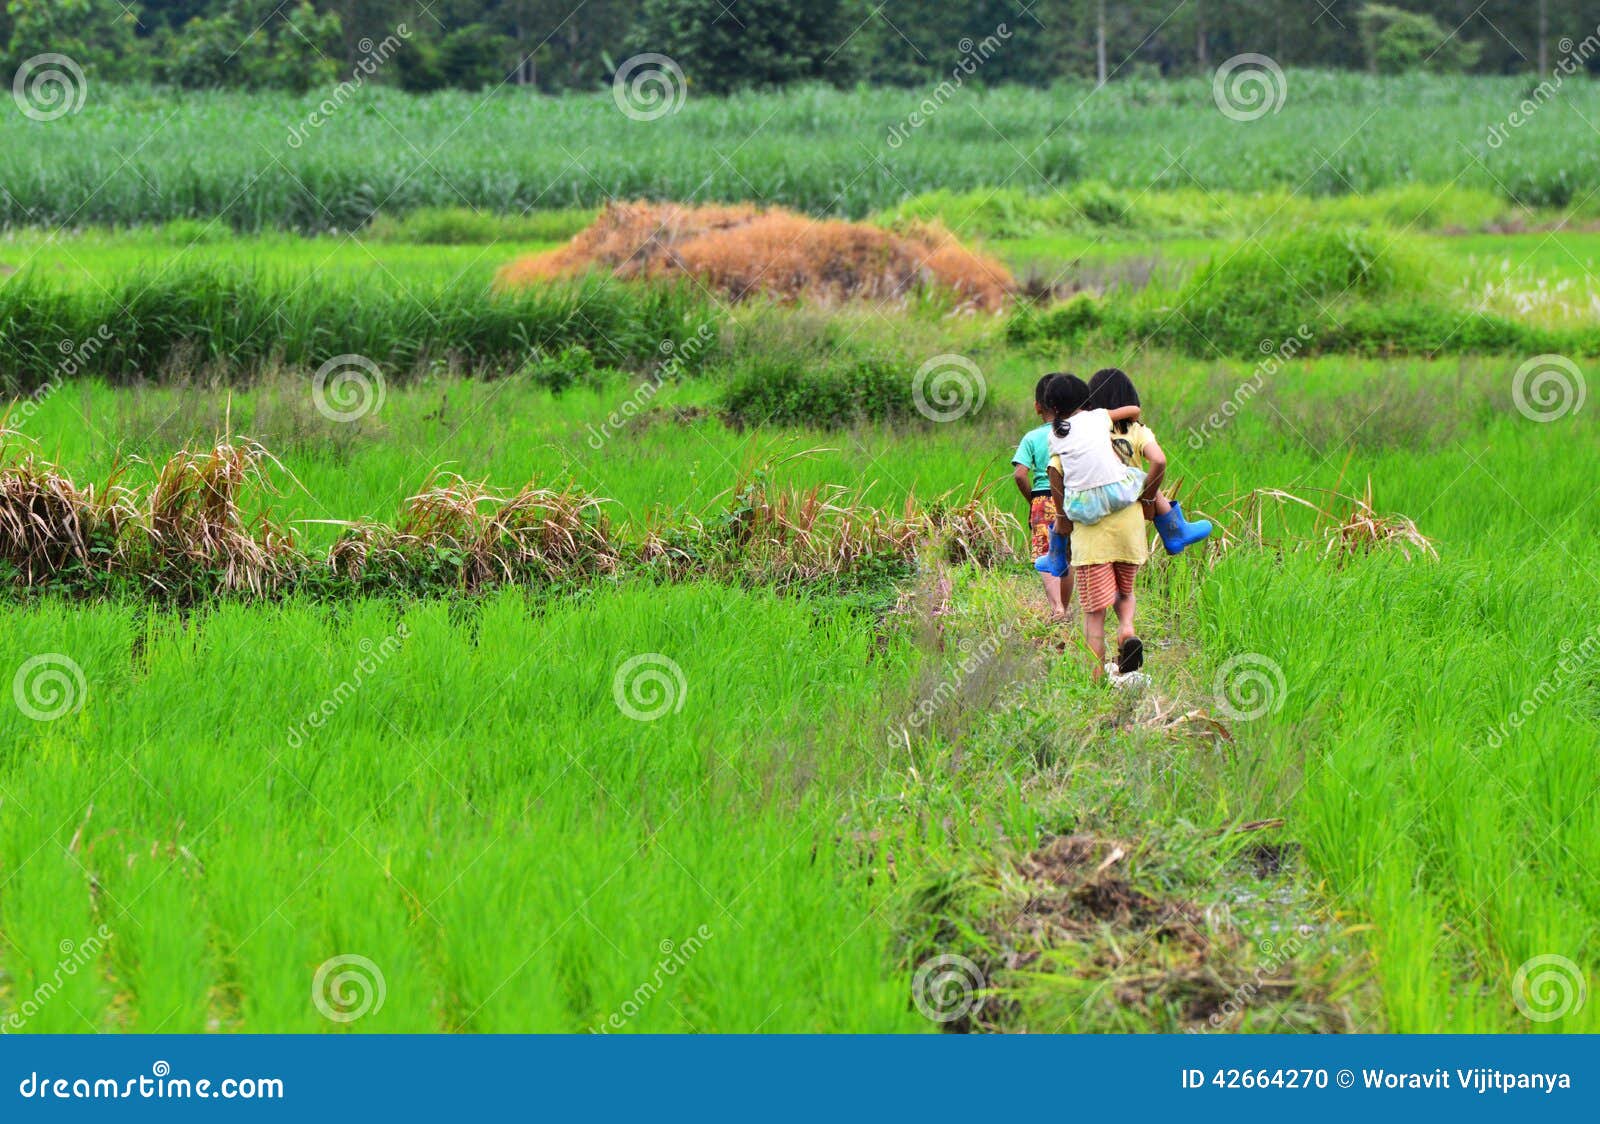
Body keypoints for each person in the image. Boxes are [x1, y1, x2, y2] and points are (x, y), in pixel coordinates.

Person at [1039, 373, 1154, 678]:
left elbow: (1054, 475)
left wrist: (1062, 520)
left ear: (1051, 407)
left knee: (1094, 614)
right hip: (1128, 523)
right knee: (1124, 592)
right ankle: (1127, 631)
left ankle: (1095, 677)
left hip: (1091, 532)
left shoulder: (1055, 437)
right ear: (1086, 402)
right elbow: (1133, 412)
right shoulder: (1103, 422)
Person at [1086, 368, 1212, 555]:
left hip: (1092, 506)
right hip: (1128, 510)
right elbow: (1159, 461)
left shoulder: (1084, 429)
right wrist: (1147, 498)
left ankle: (1058, 547)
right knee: (1142, 478)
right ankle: (1175, 531)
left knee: (1097, 581)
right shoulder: (1137, 430)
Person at [1012, 374, 1067, 616]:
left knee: (1046, 554)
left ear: (1037, 407)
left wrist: (1033, 500)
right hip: (1071, 496)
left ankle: (1057, 607)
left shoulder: (1031, 437)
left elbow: (1020, 475)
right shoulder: (1073, 432)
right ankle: (1068, 605)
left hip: (1043, 497)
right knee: (1068, 552)